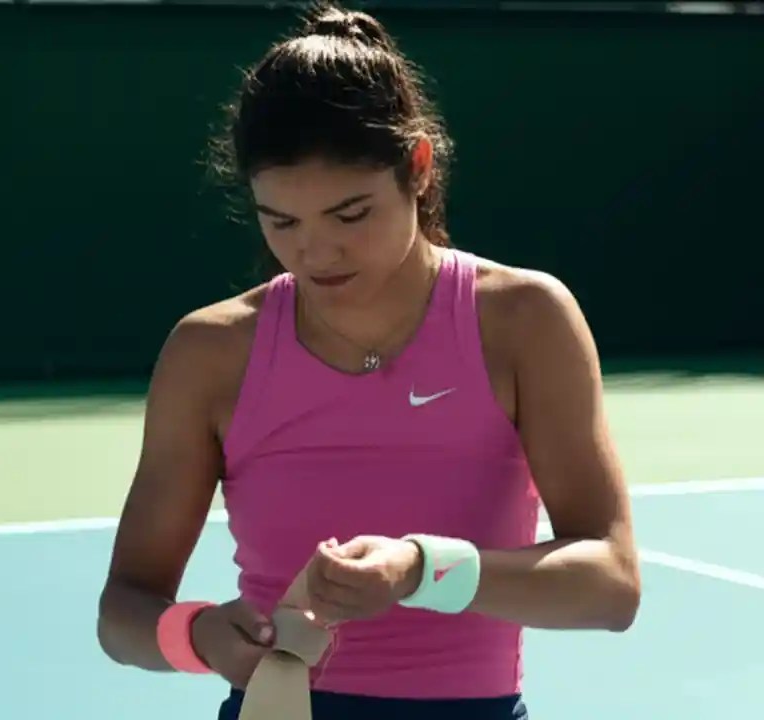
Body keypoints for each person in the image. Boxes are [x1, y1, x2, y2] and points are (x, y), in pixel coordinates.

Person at [95, 4, 641, 719]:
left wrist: (421, 569)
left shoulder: (524, 320)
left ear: (418, 167)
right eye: (281, 221)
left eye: (350, 215)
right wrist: (197, 635)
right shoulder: (209, 351)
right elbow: (123, 613)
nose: (316, 252)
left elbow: (611, 584)